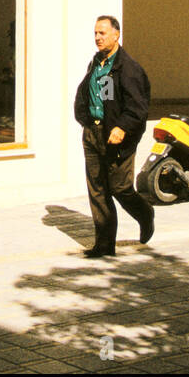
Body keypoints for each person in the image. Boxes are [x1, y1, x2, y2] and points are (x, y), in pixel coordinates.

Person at [73, 15, 155, 257]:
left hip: (117, 136)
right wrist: (85, 120)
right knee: (97, 189)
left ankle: (145, 213)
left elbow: (138, 107)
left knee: (119, 187)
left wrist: (121, 128)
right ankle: (104, 245)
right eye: (96, 33)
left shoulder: (128, 69)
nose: (98, 38)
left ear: (116, 34)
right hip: (93, 133)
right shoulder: (97, 64)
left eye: (103, 33)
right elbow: (95, 95)